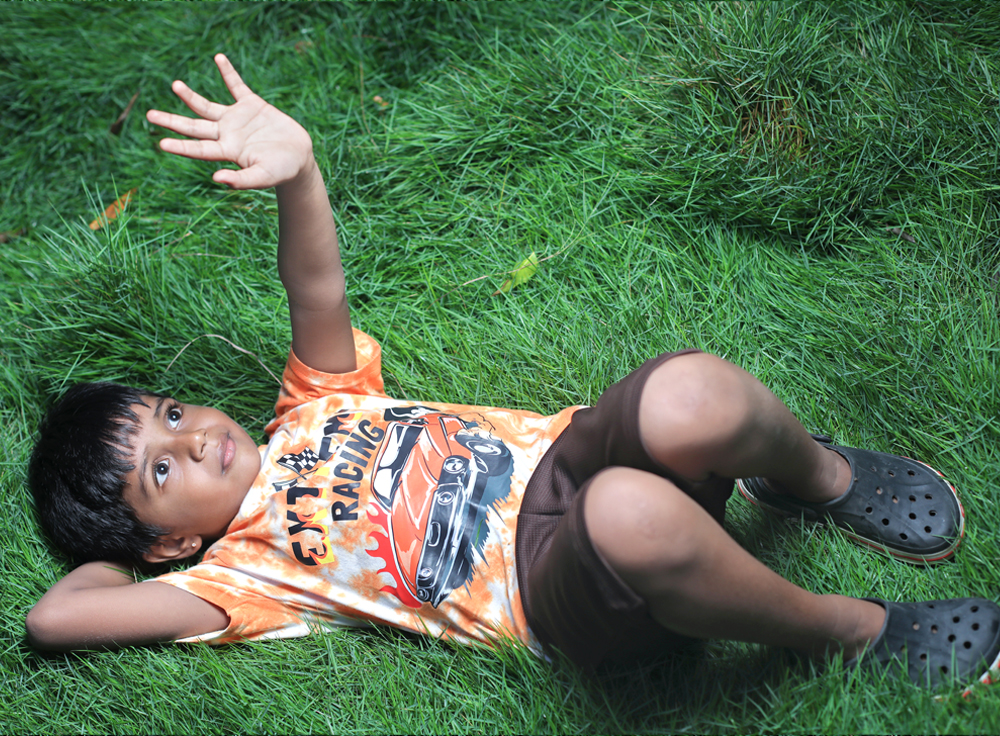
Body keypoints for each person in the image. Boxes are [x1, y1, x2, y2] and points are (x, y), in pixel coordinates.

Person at [25, 54, 1000, 690]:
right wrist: (131, 554)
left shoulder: (310, 408)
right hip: (549, 582)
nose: (191, 436)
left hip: (561, 457)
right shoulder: (237, 577)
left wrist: (302, 171)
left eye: (168, 412)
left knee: (691, 384)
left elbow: (314, 285)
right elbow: (57, 615)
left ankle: (814, 479)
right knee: (624, 509)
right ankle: (848, 630)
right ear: (163, 547)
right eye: (161, 471)